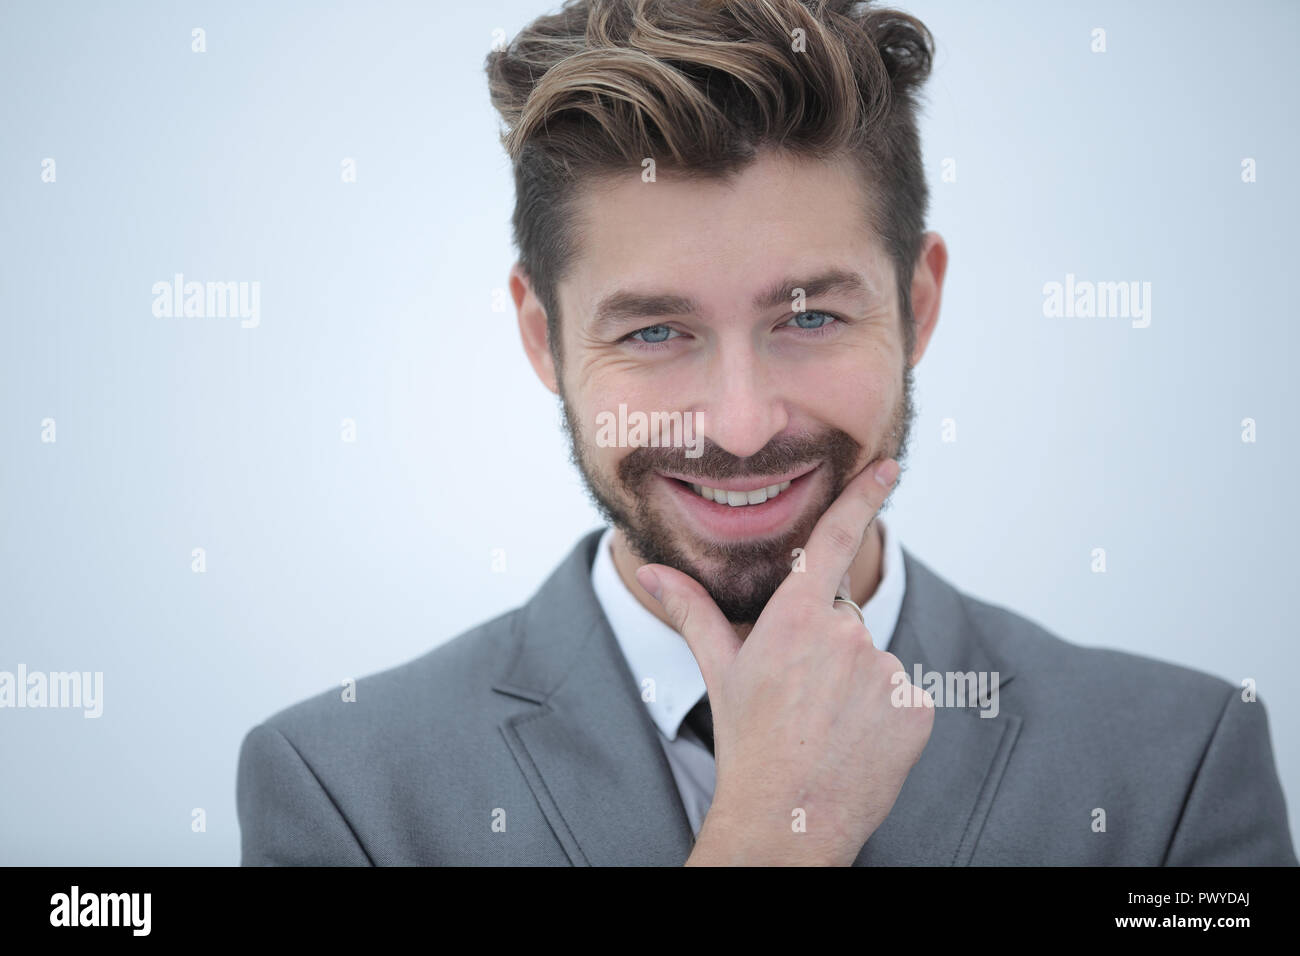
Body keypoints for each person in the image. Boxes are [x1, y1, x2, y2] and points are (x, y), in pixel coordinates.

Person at [236, 0, 1296, 865]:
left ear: (918, 303)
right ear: (541, 335)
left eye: (808, 317)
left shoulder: (1175, 768)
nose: (740, 426)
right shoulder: (343, 791)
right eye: (655, 330)